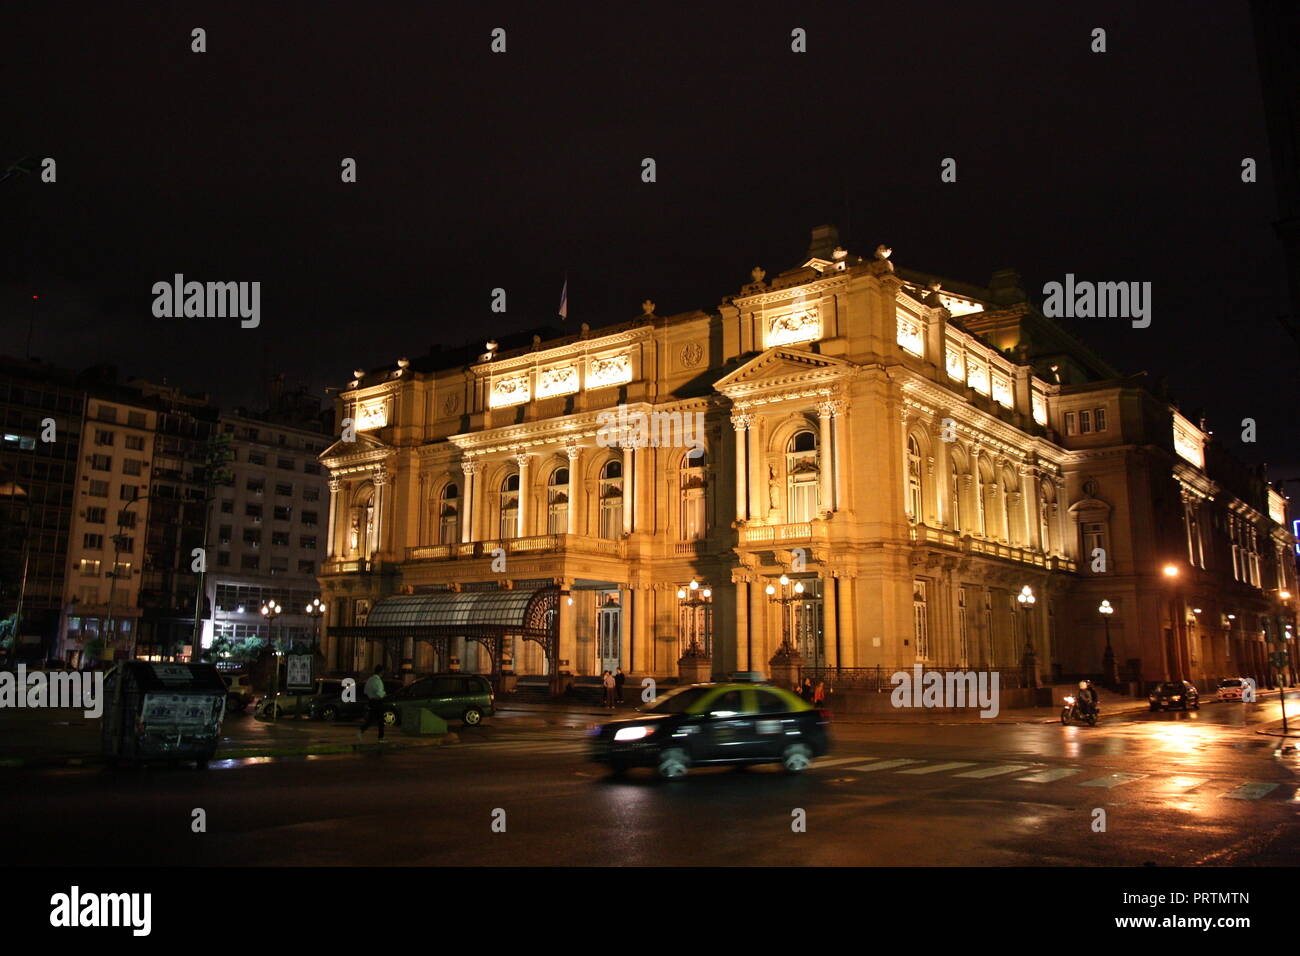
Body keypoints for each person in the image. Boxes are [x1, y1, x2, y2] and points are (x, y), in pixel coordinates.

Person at [357, 664, 388, 742]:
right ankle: (380, 737)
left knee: (372, 718)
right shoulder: (378, 681)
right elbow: (379, 693)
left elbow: (365, 691)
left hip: (371, 701)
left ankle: (361, 730)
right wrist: (383, 694)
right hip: (378, 701)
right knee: (380, 719)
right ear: (381, 672)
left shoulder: (370, 680)